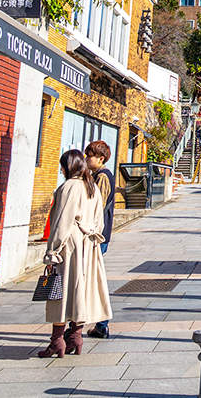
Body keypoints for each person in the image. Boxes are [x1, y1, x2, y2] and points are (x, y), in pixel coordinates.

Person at [38, 149, 111, 358]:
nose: (61, 170)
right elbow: (99, 220)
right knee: (80, 293)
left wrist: (52, 252)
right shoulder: (92, 187)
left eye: (62, 166)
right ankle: (76, 338)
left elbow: (62, 222)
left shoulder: (69, 187)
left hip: (70, 247)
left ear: (68, 166)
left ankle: (57, 341)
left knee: (60, 293)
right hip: (88, 246)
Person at [84, 141, 115, 339]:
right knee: (92, 278)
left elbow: (97, 206)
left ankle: (101, 324)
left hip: (97, 234)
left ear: (100, 158)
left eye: (90, 156)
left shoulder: (103, 177)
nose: (87, 159)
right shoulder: (96, 176)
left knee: (93, 279)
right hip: (97, 233)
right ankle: (97, 324)